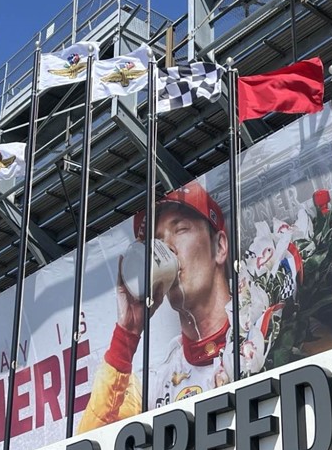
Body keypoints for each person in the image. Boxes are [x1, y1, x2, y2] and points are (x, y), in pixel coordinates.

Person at [77, 182, 233, 433]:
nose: (165, 248)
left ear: (220, 247)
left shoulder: (263, 326)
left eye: (180, 229)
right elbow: (87, 447)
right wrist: (126, 336)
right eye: (157, 241)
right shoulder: (155, 385)